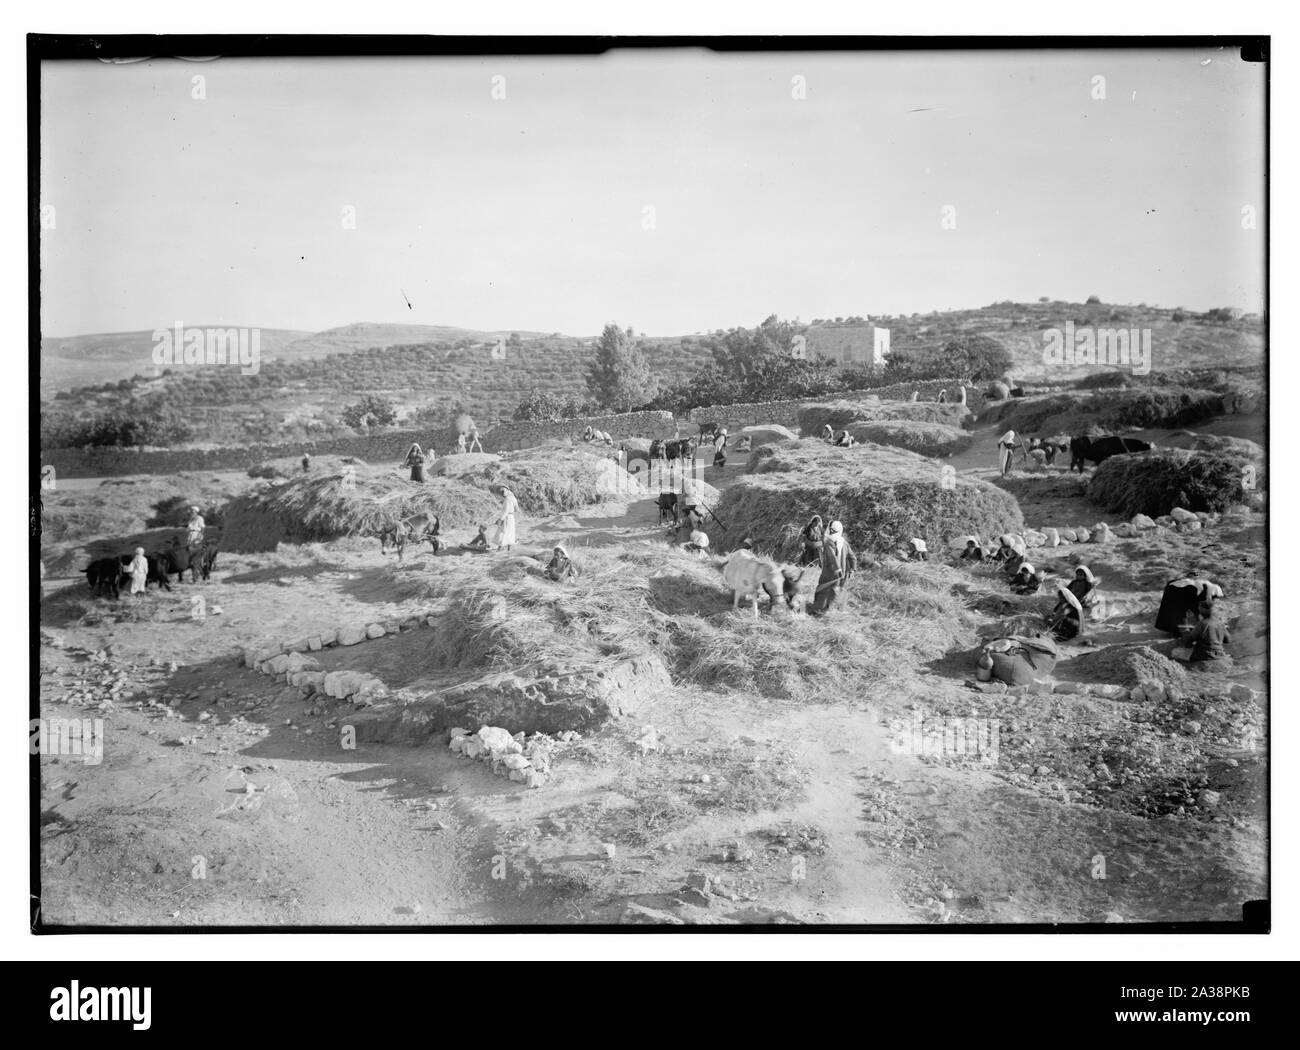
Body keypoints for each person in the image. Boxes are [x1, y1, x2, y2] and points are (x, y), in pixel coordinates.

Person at [811, 520, 857, 615]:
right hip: (841, 574)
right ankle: (834, 611)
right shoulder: (844, 543)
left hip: (830, 573)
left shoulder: (829, 542)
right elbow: (853, 558)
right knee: (837, 591)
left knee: (824, 590)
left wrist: (839, 569)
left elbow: (833, 557)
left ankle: (819, 610)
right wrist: (853, 569)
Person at [1155, 575, 1224, 635]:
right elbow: (1197, 606)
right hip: (1180, 592)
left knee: (1178, 613)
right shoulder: (1208, 589)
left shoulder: (1206, 586)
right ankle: (1179, 631)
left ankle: (1177, 630)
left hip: (1176, 590)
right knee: (1180, 612)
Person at [497, 486, 519, 551]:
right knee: (510, 534)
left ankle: (498, 550)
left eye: (503, 492)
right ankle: (508, 551)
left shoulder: (507, 499)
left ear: (506, 491)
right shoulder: (513, 498)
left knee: (503, 533)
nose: (502, 494)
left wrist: (500, 519)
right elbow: (517, 509)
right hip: (511, 518)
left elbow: (506, 511)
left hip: (507, 518)